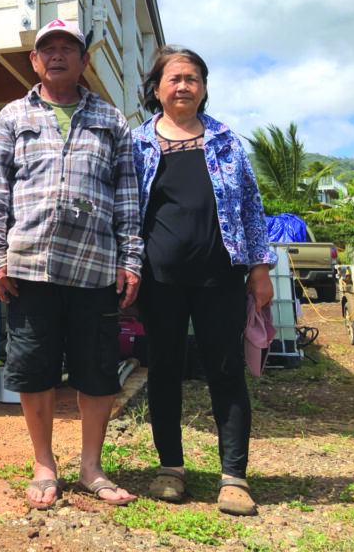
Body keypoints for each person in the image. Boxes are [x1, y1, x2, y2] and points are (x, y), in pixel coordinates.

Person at [0, 18, 143, 509]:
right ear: (33, 61)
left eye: (67, 48)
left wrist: (131, 259)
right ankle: (44, 464)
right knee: (35, 369)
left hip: (95, 267)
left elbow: (128, 197)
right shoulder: (12, 116)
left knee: (98, 371)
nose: (56, 55)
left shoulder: (111, 120)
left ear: (84, 60)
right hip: (29, 268)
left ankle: (91, 466)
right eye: (46, 48)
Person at [131, 46, 275, 517]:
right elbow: (124, 210)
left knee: (225, 370)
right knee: (164, 368)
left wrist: (259, 269)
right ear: (157, 89)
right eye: (174, 79)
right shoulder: (137, 144)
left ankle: (234, 477)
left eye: (192, 78)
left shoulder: (226, 140)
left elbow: (251, 206)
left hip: (221, 276)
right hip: (159, 280)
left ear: (204, 88)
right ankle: (170, 468)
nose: (183, 86)